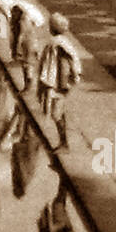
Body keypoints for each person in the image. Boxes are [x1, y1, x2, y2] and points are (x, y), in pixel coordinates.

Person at [37, 12, 82, 148]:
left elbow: (64, 64)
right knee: (58, 112)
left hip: (59, 84)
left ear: (52, 28)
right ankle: (63, 142)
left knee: (56, 114)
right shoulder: (62, 41)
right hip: (59, 83)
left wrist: (63, 84)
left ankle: (64, 143)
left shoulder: (57, 43)